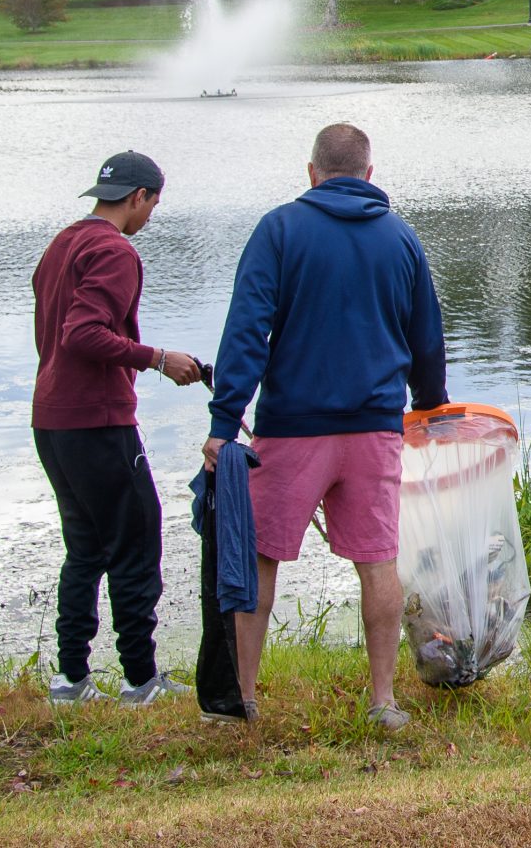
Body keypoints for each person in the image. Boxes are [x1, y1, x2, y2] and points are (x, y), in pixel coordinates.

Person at [201, 123, 447, 730]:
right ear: (369, 175)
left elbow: (246, 333)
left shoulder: (279, 230)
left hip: (291, 430)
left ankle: (245, 700)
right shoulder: (401, 237)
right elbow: (428, 339)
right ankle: (383, 702)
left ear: (311, 172)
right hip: (374, 429)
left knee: (260, 557)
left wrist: (225, 420)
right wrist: (430, 403)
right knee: (378, 560)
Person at [30, 150, 206, 706]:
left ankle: (72, 679)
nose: (150, 214)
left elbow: (56, 324)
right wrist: (156, 358)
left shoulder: (64, 243)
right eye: (152, 203)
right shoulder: (115, 251)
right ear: (139, 198)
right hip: (97, 421)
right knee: (136, 539)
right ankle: (140, 679)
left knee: (84, 547)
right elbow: (84, 332)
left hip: (52, 419)